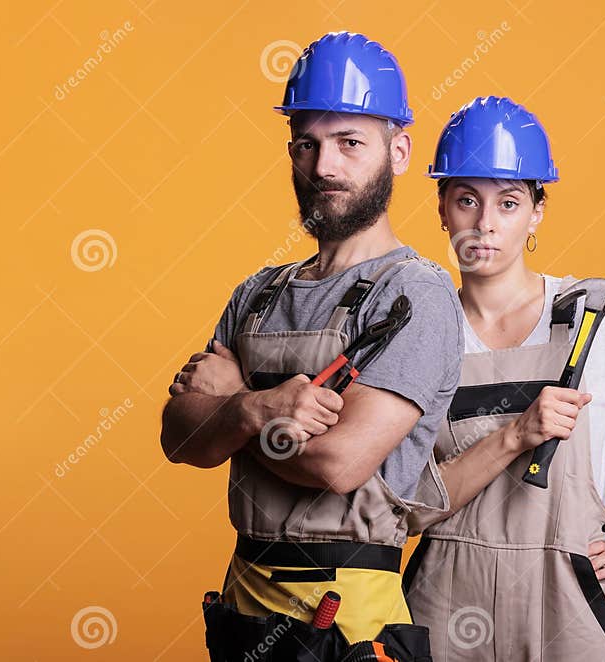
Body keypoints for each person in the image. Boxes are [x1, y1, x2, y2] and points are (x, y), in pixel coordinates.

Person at [159, 32, 461, 661]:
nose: (325, 166)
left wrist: (234, 402)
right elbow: (179, 440)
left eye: (351, 143)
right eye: (308, 144)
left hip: (348, 616)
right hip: (243, 598)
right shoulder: (258, 293)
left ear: (398, 151)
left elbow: (339, 465)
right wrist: (257, 413)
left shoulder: (414, 294)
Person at [401, 96, 605, 661]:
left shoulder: (595, 321)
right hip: (443, 603)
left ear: (536, 213)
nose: (485, 223)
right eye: (466, 201)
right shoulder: (421, 332)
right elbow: (397, 500)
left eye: (508, 203)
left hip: (570, 602)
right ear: (441, 209)